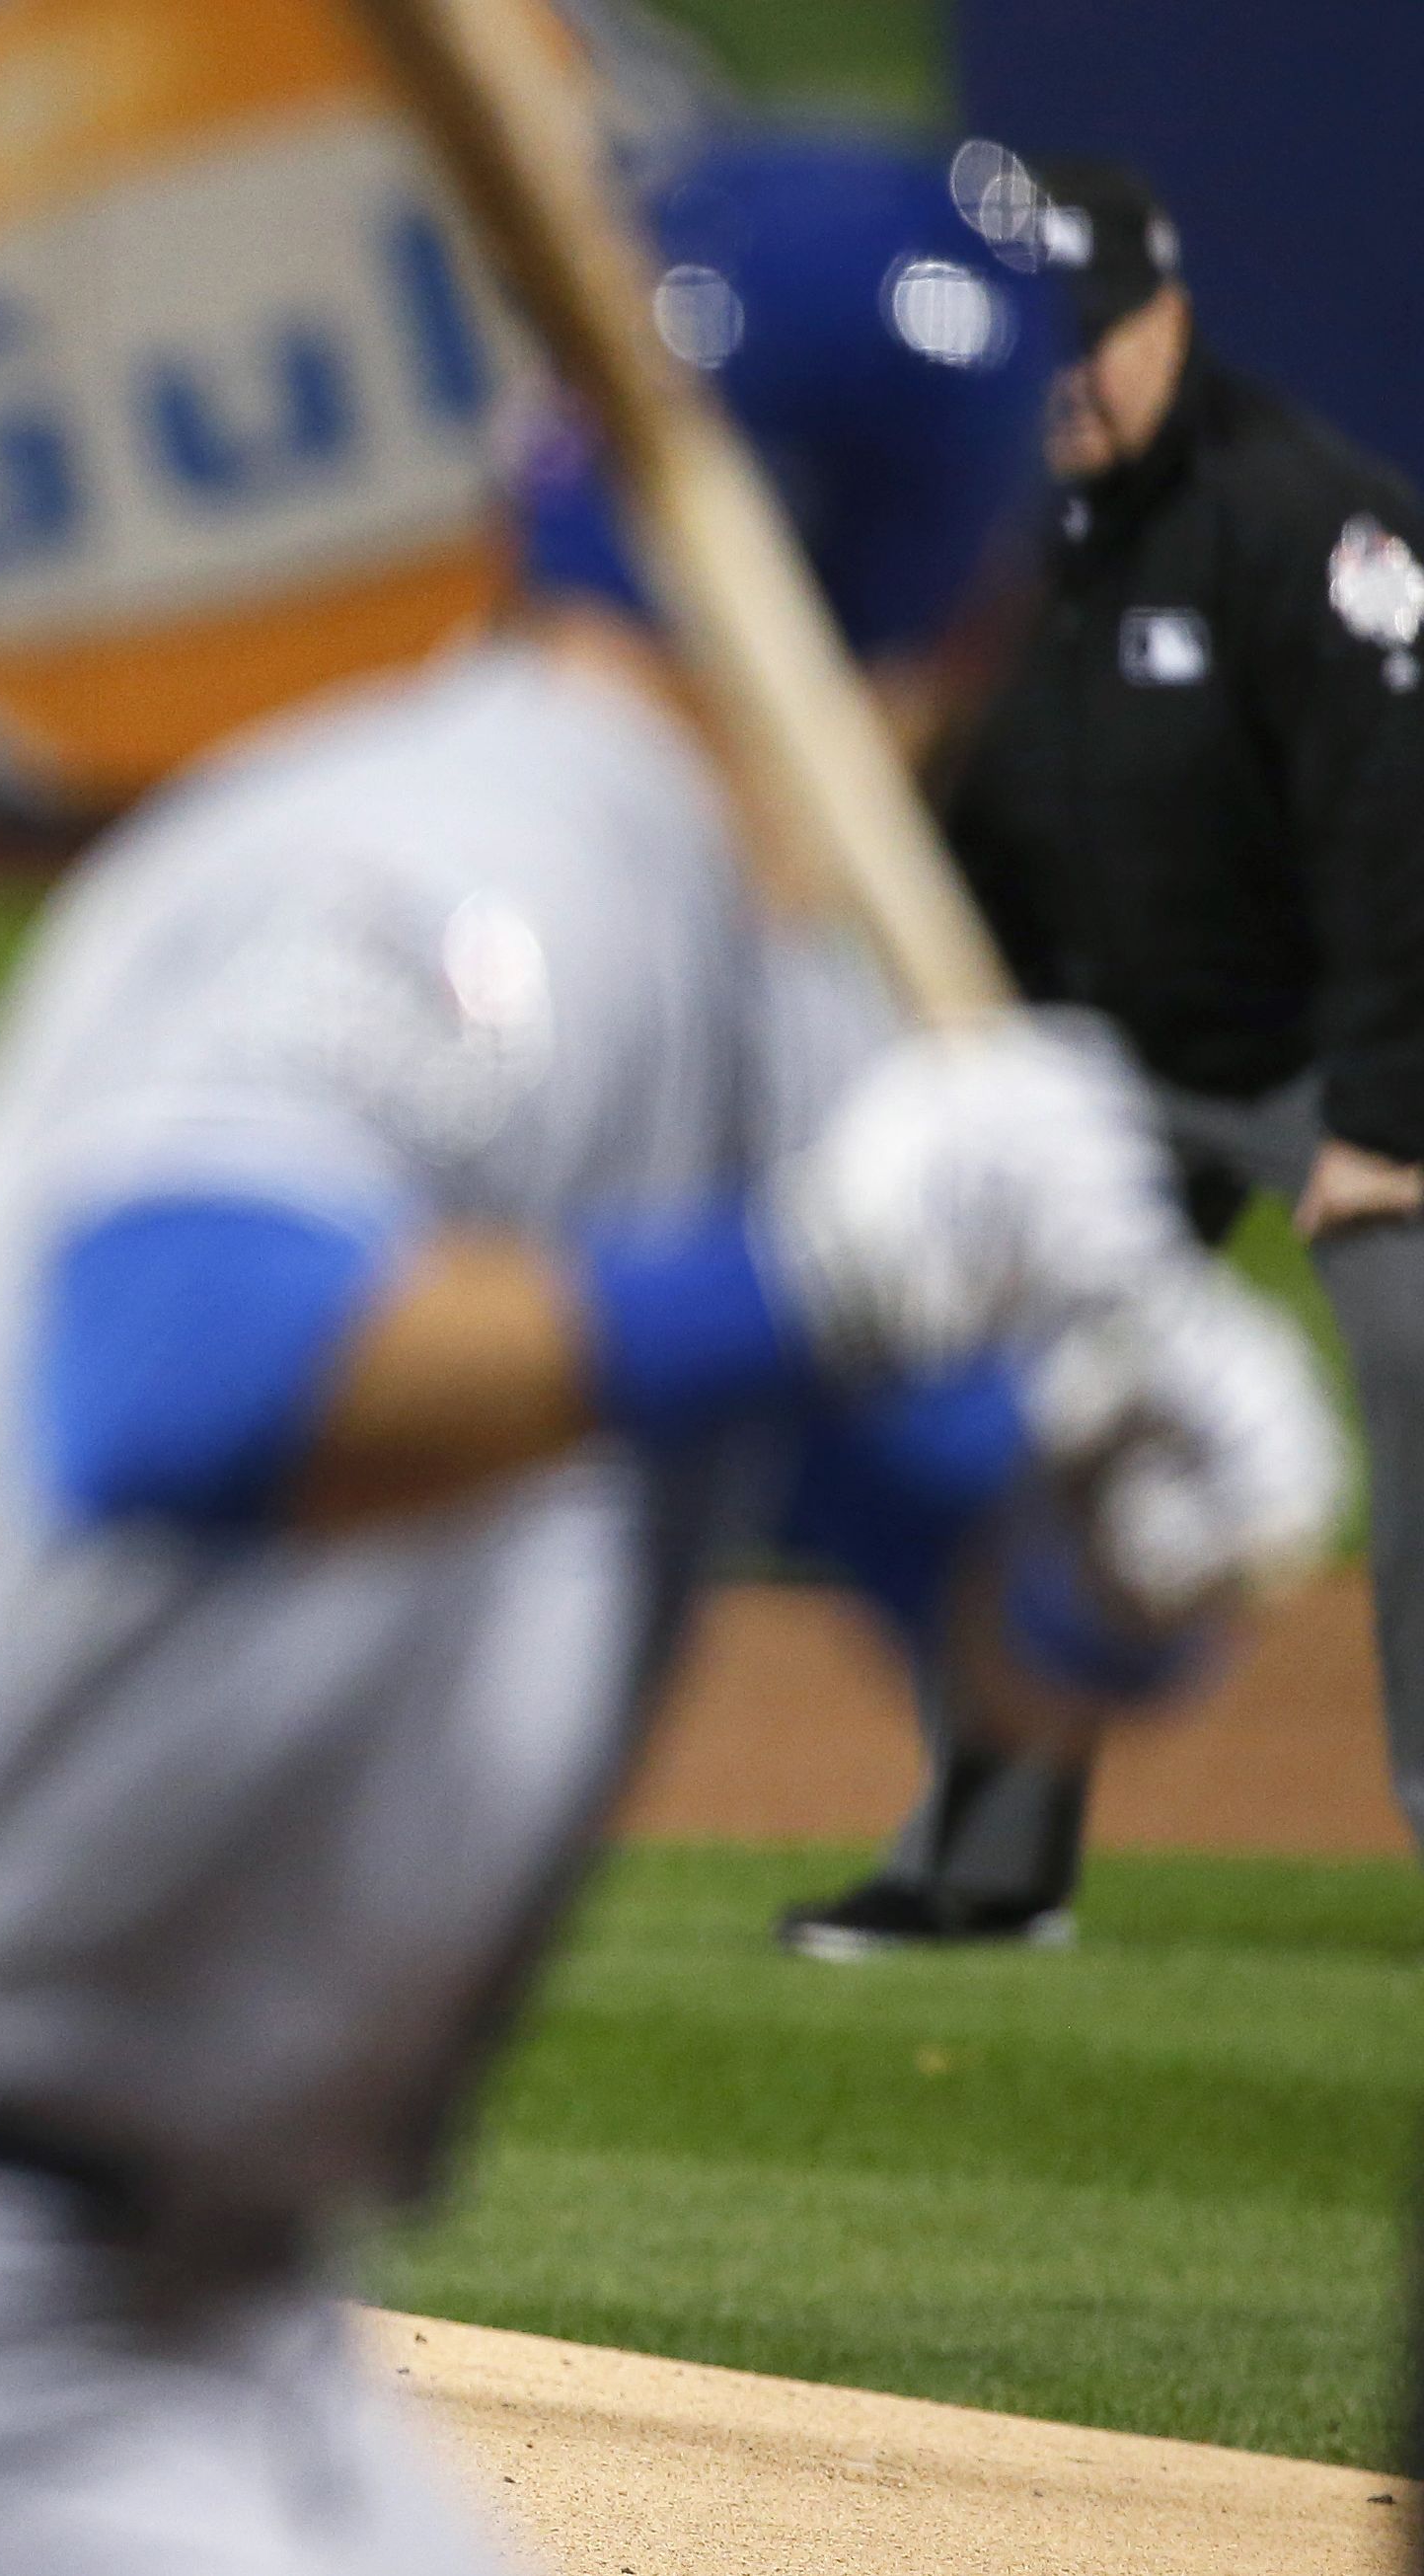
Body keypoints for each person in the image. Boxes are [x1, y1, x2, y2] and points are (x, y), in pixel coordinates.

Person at [0, 132, 1340, 2576]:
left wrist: (1132, 1537)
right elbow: (166, 1370)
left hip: (200, 2310)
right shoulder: (451, 856)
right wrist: (809, 1287)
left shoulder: (774, 1013)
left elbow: (960, 1598)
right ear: (980, 600)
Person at [780, 158, 1424, 1957]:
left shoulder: (1309, 522)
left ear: (1174, 314)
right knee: (993, 1378)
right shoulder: (971, 522)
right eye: (1040, 345)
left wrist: (1384, 1119)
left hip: (1327, 1052)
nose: (1073, 377)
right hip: (1092, 1057)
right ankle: (988, 1857)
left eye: (1103, 340)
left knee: (1419, 1333)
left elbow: (1401, 842)